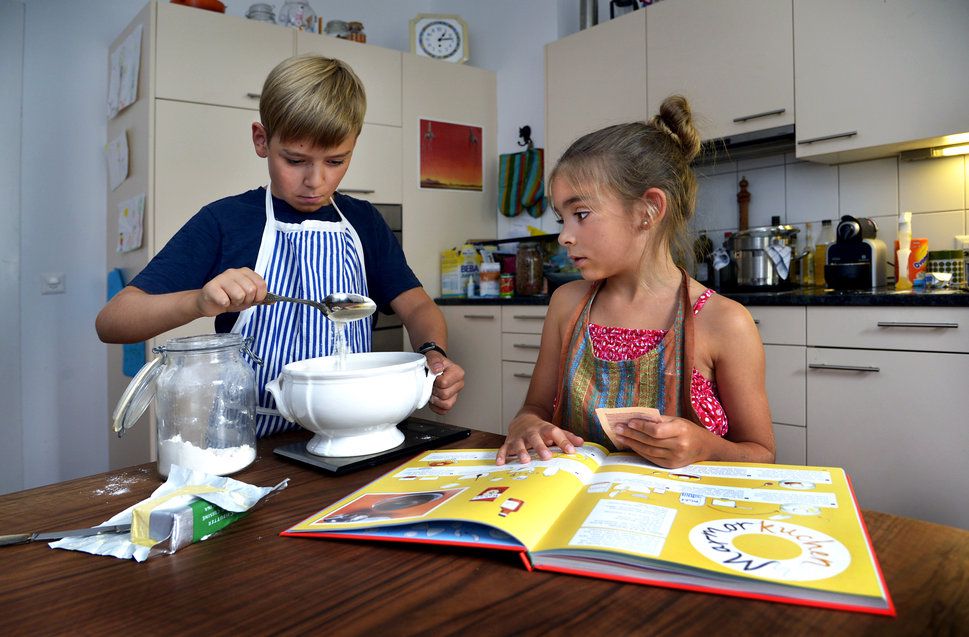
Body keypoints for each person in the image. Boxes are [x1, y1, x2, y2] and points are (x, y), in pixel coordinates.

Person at [97, 54, 465, 437]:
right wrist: (199, 302)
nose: (316, 181)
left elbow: (418, 305)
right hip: (251, 439)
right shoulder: (226, 221)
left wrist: (432, 353)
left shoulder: (364, 221)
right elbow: (113, 321)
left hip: (357, 429)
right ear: (262, 140)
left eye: (336, 161)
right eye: (295, 160)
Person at [496, 95, 774, 469]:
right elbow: (534, 408)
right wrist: (525, 425)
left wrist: (705, 447)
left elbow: (762, 454)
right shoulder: (567, 304)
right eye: (562, 218)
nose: (564, 236)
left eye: (580, 214)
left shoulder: (725, 322)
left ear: (648, 210)